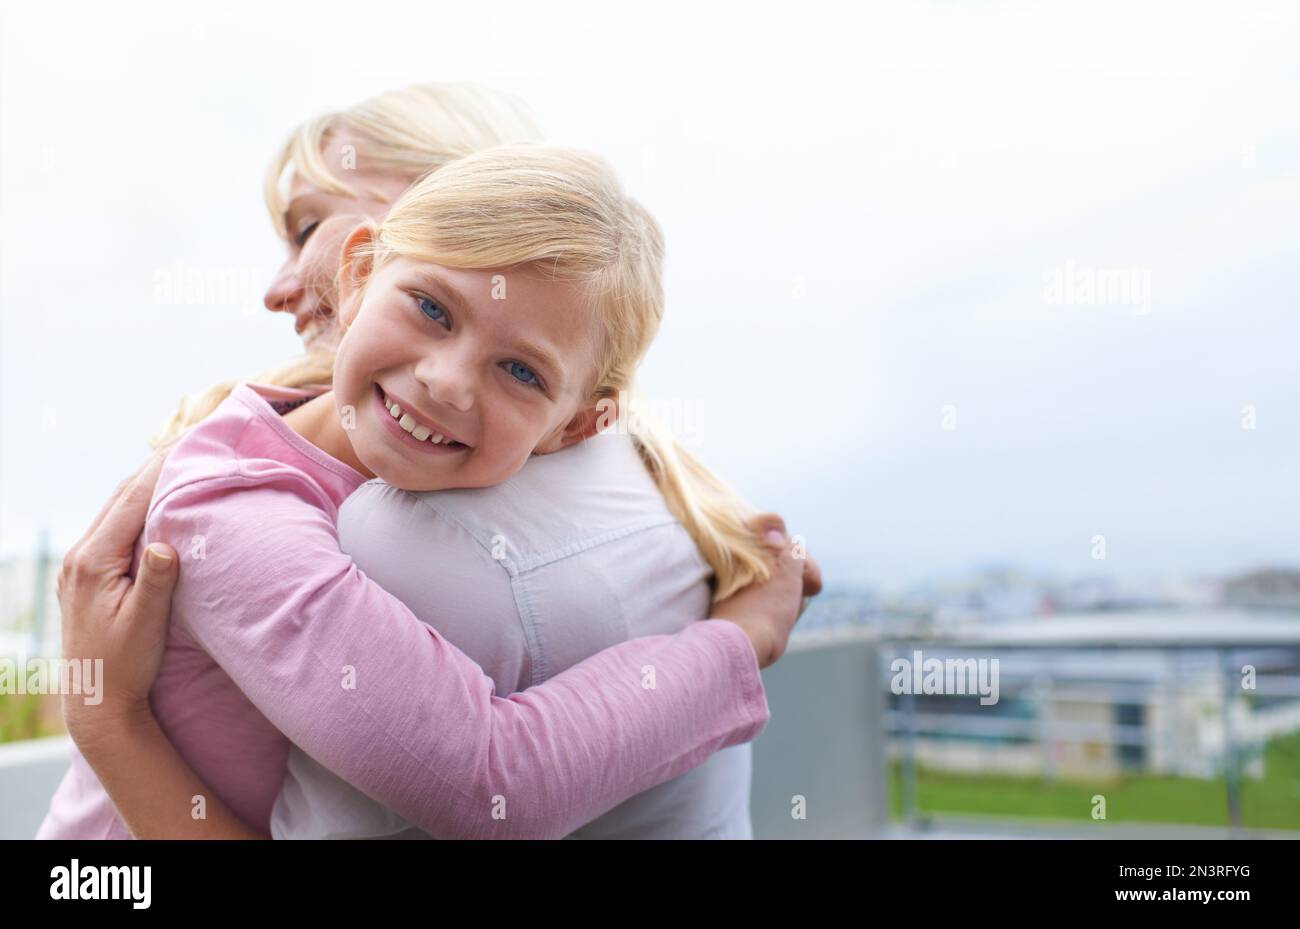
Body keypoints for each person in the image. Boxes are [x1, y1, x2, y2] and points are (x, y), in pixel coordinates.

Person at [43, 138, 822, 841]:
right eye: (432, 308)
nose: (446, 382)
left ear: (576, 429)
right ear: (356, 274)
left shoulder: (355, 444)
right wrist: (742, 640)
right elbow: (493, 786)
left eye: (521, 371)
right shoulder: (235, 516)